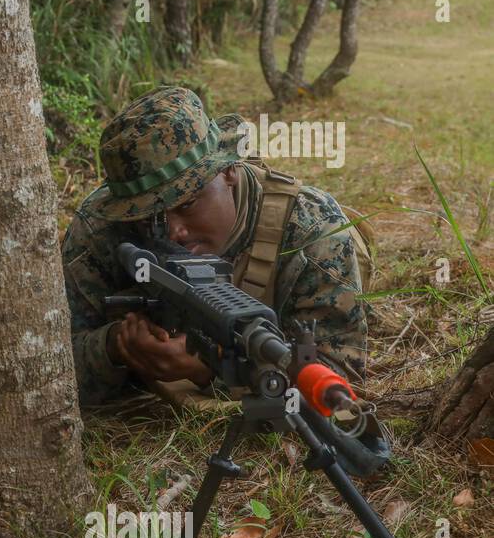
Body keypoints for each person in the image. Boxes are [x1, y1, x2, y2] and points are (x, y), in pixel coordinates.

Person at [63, 86, 370, 407]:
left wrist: (211, 371)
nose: (174, 232)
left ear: (228, 170)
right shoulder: (101, 227)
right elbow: (52, 364)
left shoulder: (312, 229)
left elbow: (340, 374)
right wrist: (115, 348)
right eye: (148, 217)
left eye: (188, 204)